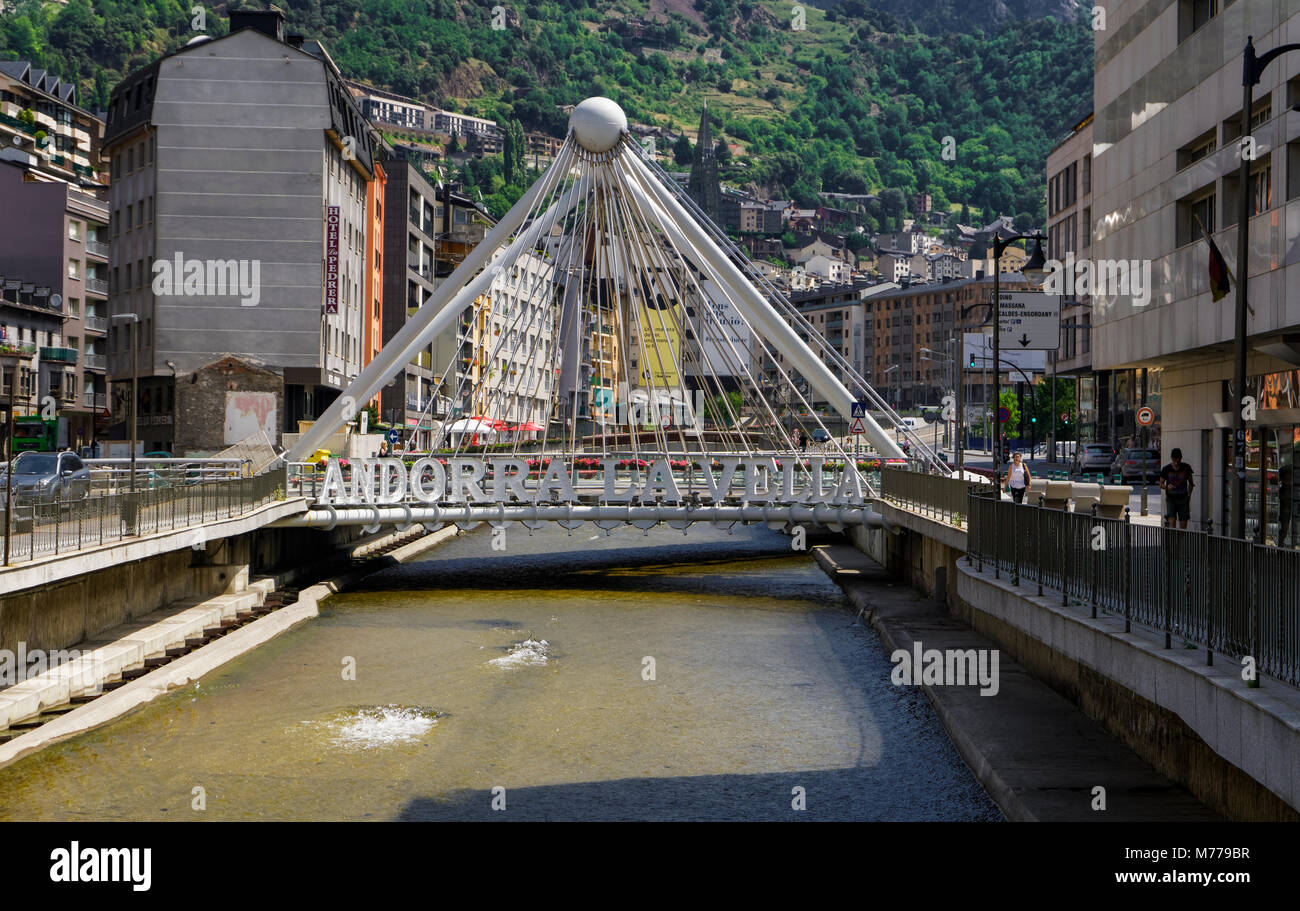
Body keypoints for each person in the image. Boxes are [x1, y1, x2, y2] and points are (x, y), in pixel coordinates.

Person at [1159, 447, 1195, 529]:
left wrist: (1189, 496)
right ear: (1171, 458)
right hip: (1171, 499)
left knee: (1183, 526)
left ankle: (1179, 541)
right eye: (1174, 461)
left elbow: (1191, 484)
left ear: (1181, 458)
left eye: (1178, 461)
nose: (1176, 463)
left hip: (1183, 499)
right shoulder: (1166, 469)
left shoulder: (1186, 468)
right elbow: (1160, 484)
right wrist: (1167, 487)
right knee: (1172, 523)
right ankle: (1173, 541)